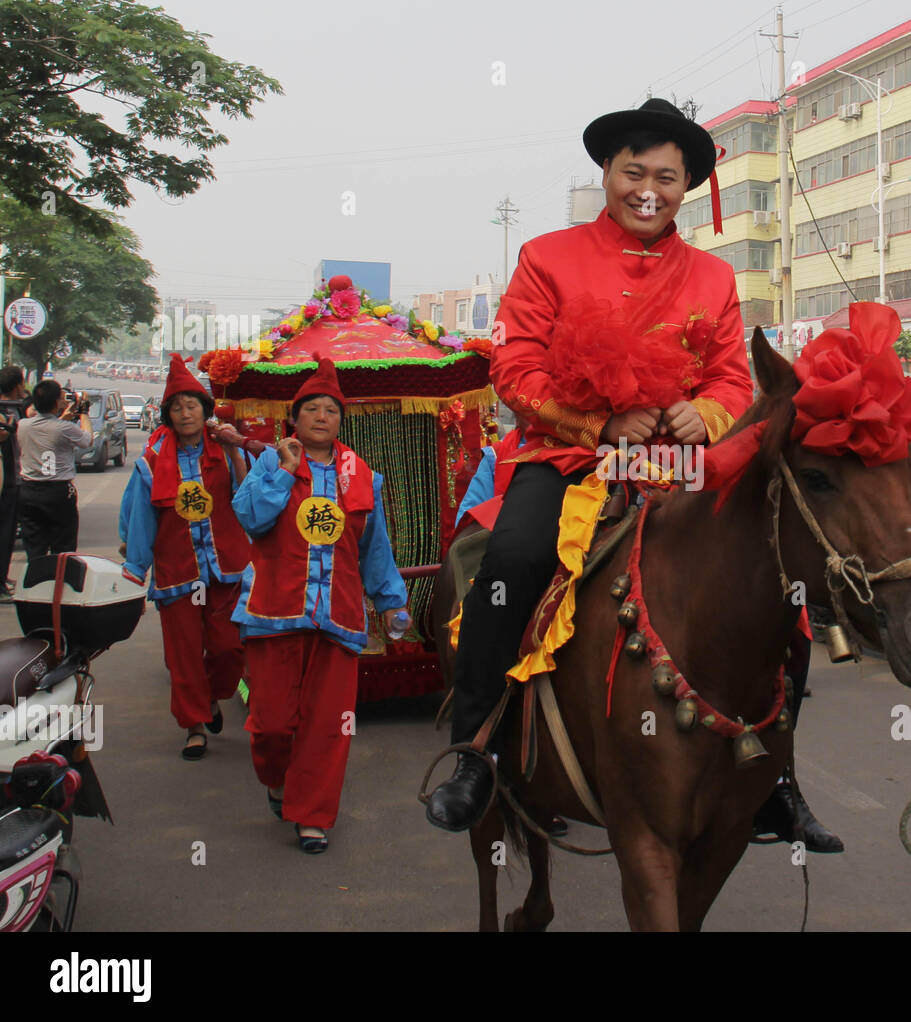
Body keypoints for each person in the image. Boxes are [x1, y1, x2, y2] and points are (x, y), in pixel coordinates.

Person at [425, 98, 843, 853]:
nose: (648, 189)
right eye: (633, 172)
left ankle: (777, 778)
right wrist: (596, 423)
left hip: (678, 463)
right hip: (569, 456)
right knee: (512, 563)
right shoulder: (548, 257)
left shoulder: (713, 275)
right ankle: (476, 751)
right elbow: (513, 368)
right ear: (608, 174)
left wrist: (707, 416)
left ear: (687, 188)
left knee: (782, 586)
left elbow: (727, 377)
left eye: (667, 177)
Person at [232, 357, 408, 854]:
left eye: (331, 409)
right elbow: (249, 518)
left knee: (329, 726)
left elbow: (375, 548)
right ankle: (276, 779)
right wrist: (285, 473)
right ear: (295, 417)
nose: (322, 416)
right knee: (270, 724)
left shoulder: (363, 476)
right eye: (312, 408)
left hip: (339, 616)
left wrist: (392, 601)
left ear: (340, 420)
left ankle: (312, 816)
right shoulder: (272, 462)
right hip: (273, 614)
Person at [119, 354, 252, 760]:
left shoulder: (225, 448)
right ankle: (194, 725)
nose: (185, 412)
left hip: (225, 567)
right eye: (177, 407)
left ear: (205, 409)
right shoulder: (152, 462)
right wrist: (135, 566)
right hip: (178, 572)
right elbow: (139, 517)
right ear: (167, 415)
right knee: (184, 653)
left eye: (192, 404)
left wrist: (235, 449)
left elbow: (247, 498)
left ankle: (212, 696)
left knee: (230, 647)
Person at [15, 380, 92, 559]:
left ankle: (35, 583)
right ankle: (59, 582)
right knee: (63, 548)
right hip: (58, 492)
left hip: (29, 491)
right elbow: (87, 440)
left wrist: (62, 416)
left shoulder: (23, 425)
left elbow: (49, 427)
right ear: (56, 402)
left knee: (34, 546)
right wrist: (84, 413)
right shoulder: (64, 428)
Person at [0, 366, 29, 600]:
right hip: (7, 479)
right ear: (17, 385)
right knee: (5, 530)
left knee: (9, 533)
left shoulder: (17, 409)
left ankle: (3, 574)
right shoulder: (5, 412)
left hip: (13, 477)